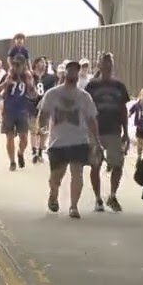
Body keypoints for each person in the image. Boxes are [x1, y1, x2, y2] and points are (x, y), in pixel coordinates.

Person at [38, 61, 99, 217]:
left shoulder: (84, 96)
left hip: (79, 140)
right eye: (70, 70)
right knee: (56, 176)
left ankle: (73, 206)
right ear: (65, 72)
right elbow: (43, 113)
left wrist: (95, 141)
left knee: (77, 173)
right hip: (57, 141)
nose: (73, 73)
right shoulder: (52, 93)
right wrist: (42, 129)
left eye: (75, 71)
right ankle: (53, 194)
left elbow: (92, 119)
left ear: (78, 74)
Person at [84, 52, 130, 212]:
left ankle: (112, 195)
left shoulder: (119, 86)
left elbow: (123, 109)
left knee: (117, 164)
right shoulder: (92, 86)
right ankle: (97, 198)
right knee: (95, 164)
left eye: (110, 63)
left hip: (114, 130)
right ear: (99, 65)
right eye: (104, 63)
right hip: (96, 130)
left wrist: (126, 132)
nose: (107, 66)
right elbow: (86, 109)